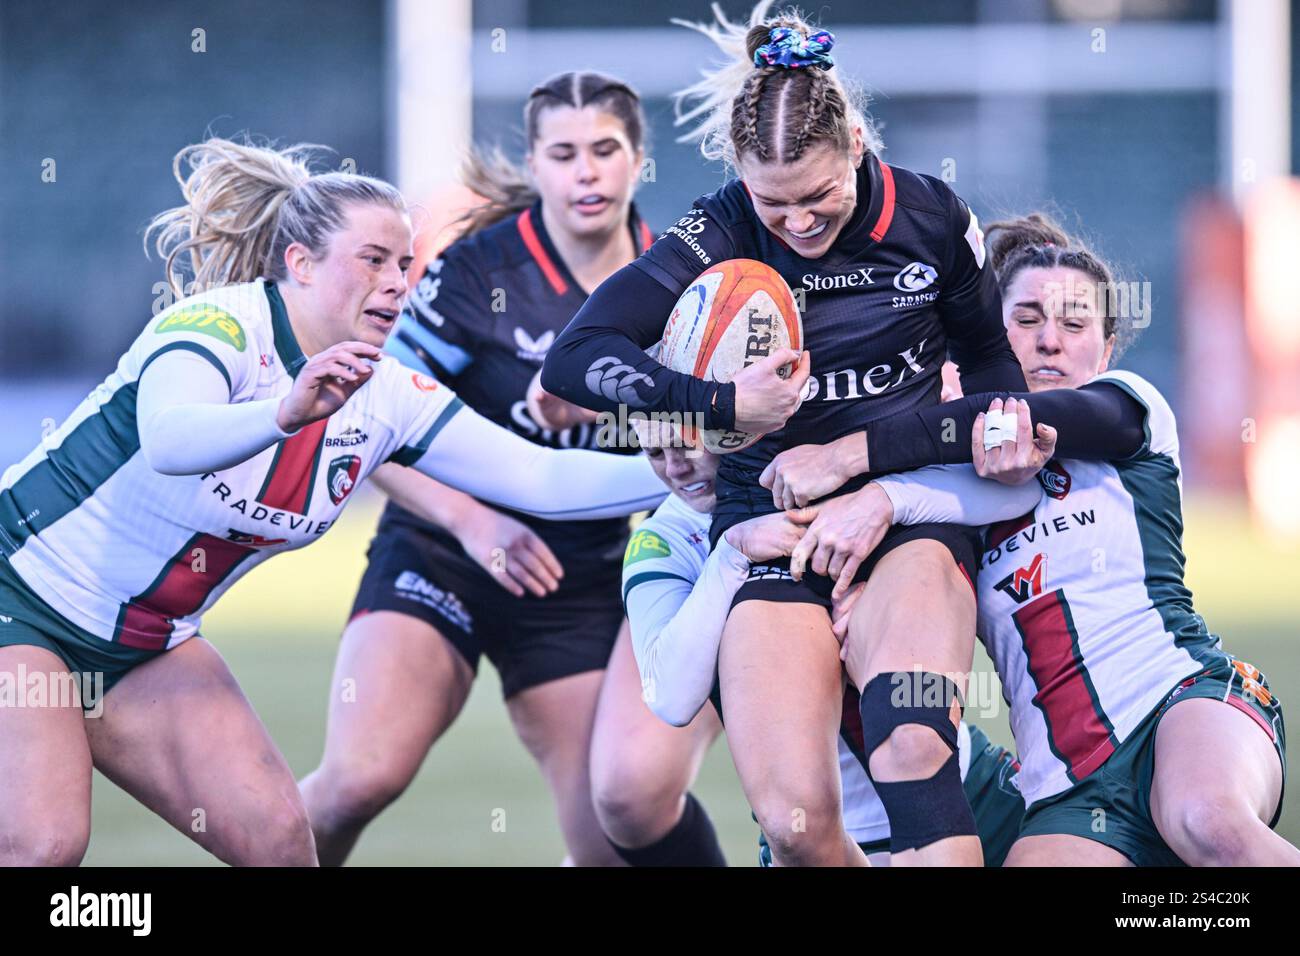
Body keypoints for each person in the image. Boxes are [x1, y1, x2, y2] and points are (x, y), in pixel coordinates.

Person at [0, 137, 665, 866]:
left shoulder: (386, 393)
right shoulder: (216, 328)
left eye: (405, 264)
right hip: (20, 597)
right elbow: (169, 439)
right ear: (301, 265)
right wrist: (282, 411)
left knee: (283, 845)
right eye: (373, 259)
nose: (397, 282)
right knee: (44, 844)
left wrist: (699, 468)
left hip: (144, 642)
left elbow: (542, 480)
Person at [542, 2, 1026, 865]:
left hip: (906, 522)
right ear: (739, 177)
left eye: (818, 196)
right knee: (794, 819)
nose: (798, 222)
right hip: (768, 532)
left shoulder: (931, 217)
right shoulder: (718, 227)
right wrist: (718, 406)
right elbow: (576, 359)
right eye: (775, 203)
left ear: (856, 148)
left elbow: (990, 360)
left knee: (915, 744)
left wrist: (991, 439)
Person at [763, 212, 1297, 866]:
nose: (1050, 341)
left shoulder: (1129, 411)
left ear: (1103, 352)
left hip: (1181, 702)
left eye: (1074, 325)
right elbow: (948, 486)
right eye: (1026, 320)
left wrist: (855, 466)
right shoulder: (943, 492)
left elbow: (1006, 424)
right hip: (1066, 787)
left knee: (1209, 823)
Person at [299, 72, 727, 867]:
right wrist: (473, 519)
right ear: (535, 165)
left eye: (605, 150)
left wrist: (664, 429)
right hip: (440, 553)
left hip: (577, 578)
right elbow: (364, 421)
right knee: (360, 778)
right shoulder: (478, 271)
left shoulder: (684, 287)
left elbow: (706, 451)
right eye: (563, 154)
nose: (586, 172)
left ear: (639, 160)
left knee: (611, 834)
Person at [622, 419, 1027, 866]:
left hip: (970, 798)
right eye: (655, 454)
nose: (677, 468)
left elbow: (1018, 493)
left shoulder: (818, 472)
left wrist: (887, 548)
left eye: (687, 445)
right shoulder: (663, 540)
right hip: (816, 842)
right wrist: (731, 555)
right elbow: (672, 698)